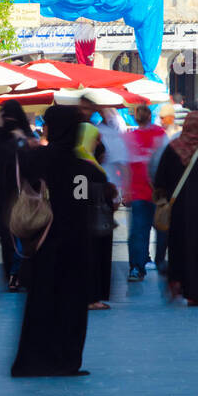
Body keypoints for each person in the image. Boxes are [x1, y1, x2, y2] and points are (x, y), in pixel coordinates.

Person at [10, 105, 98, 377]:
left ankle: (34, 360)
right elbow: (83, 202)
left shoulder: (37, 158)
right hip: (73, 244)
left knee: (41, 301)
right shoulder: (81, 166)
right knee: (70, 303)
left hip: (43, 242)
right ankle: (65, 360)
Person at [153, 111, 198, 306]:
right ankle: (195, 292)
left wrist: (163, 197)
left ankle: (176, 281)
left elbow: (159, 180)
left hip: (177, 212)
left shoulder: (172, 149)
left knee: (177, 247)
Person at [0, 100, 37, 290]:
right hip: (20, 195)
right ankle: (18, 274)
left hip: (13, 195)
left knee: (11, 237)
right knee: (18, 236)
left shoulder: (18, 139)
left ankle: (15, 274)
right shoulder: (22, 138)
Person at [75, 123, 118, 310]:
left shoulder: (82, 161)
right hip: (92, 222)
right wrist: (106, 192)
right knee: (93, 258)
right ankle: (92, 298)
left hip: (87, 220)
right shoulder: (84, 164)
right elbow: (80, 194)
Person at [123, 104, 167, 281]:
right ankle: (159, 261)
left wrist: (126, 190)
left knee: (138, 232)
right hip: (158, 192)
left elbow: (126, 166)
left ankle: (137, 267)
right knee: (162, 229)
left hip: (139, 192)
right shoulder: (160, 135)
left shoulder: (130, 137)